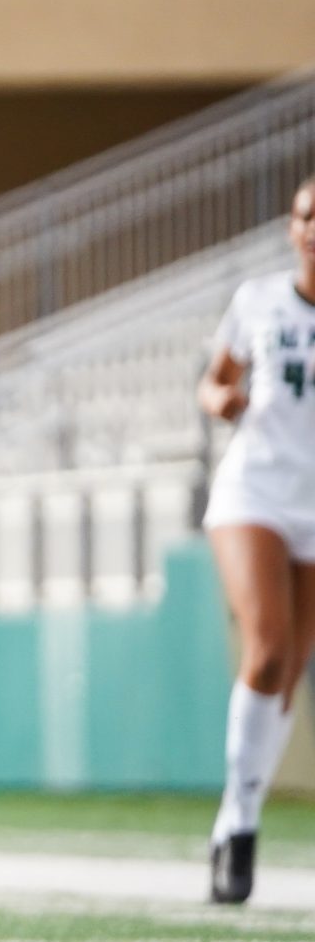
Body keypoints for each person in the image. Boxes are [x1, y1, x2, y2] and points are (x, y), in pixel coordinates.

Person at [198, 177, 315, 903]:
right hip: (255, 492)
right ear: (292, 227)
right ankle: (238, 827)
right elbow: (214, 381)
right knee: (267, 650)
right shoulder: (260, 300)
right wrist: (223, 399)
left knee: (292, 668)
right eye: (308, 215)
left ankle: (241, 812)